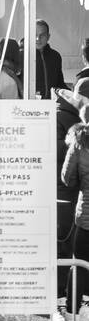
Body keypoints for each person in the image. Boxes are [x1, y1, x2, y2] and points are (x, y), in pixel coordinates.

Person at [61, 102, 89, 306]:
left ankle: (72, 316)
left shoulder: (79, 141)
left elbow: (67, 178)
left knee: (79, 264)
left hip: (86, 214)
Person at [22, 21, 66, 98]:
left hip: (51, 105)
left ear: (48, 36)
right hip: (26, 106)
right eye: (34, 35)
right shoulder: (21, 55)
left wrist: (72, 94)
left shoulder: (55, 56)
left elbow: (60, 83)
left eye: (42, 35)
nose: (38, 38)